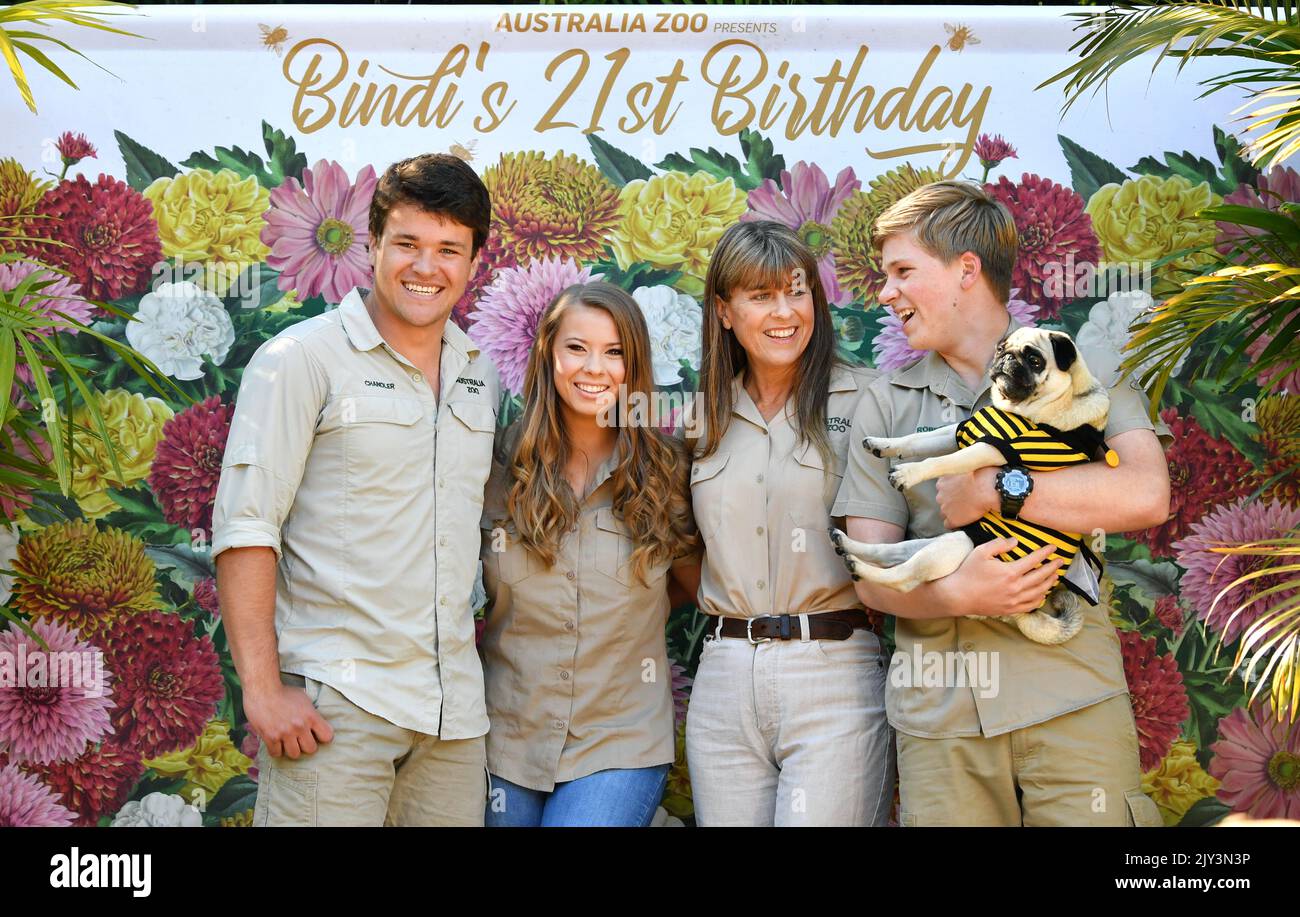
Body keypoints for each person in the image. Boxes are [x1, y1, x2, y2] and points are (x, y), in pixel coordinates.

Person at [833, 180, 1171, 827]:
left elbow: (1145, 492)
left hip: (1073, 701)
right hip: (944, 725)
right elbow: (869, 578)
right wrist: (960, 592)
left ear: (966, 269)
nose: (885, 293)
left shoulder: (1080, 365)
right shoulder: (886, 402)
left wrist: (999, 489)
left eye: (903, 271)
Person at [212, 153, 500, 827]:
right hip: (337, 710)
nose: (426, 267)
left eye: (448, 249)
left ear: (474, 262)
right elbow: (246, 528)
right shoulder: (300, 361)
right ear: (371, 243)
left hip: (452, 722)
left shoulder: (478, 376)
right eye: (407, 243)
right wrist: (262, 689)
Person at [684, 220, 892, 827]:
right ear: (724, 311)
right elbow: (680, 546)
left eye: (797, 291)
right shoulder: (700, 419)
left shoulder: (868, 400)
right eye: (760, 295)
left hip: (834, 669)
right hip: (724, 676)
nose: (785, 312)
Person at [478, 281, 699, 827]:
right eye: (577, 348)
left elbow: (696, 587)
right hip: (504, 736)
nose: (594, 368)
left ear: (635, 366)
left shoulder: (667, 474)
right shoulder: (494, 464)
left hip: (619, 740)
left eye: (615, 351)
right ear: (548, 354)